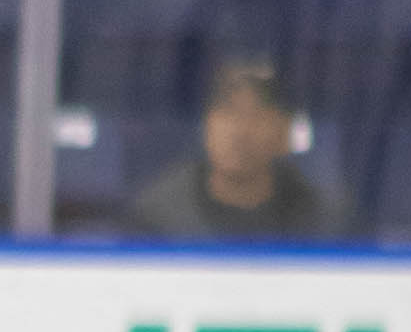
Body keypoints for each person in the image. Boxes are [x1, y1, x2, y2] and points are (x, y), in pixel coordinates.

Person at [126, 56, 342, 245]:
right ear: (205, 123)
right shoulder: (156, 218)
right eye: (227, 111)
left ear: (284, 130)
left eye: (257, 114)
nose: (240, 131)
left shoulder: (324, 220)